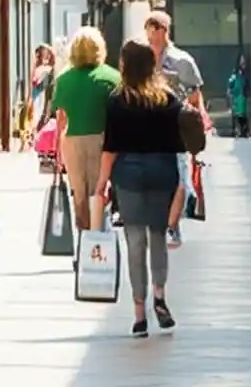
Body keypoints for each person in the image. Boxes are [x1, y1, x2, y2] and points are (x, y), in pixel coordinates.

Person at [97, 39, 185, 338]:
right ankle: (160, 295)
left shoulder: (117, 100)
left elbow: (111, 148)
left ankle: (139, 313)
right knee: (158, 236)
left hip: (129, 175)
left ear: (125, 66)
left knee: (135, 240)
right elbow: (178, 145)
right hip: (162, 172)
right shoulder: (168, 99)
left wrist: (102, 183)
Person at [144, 10, 204, 249]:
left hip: (175, 127)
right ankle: (157, 221)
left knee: (180, 176)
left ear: (165, 31)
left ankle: (171, 226)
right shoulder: (143, 59)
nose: (152, 37)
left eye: (156, 31)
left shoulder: (182, 60)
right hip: (147, 128)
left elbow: (195, 94)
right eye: (149, 32)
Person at [52, 27, 120, 231]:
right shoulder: (112, 77)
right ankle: (98, 237)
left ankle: (83, 238)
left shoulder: (64, 79)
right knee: (99, 191)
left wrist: (57, 152)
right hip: (103, 139)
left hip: (72, 140)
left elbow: (61, 117)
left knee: (79, 194)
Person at [29, 43, 56, 133]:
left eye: (48, 56)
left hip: (40, 98)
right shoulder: (44, 70)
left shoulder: (47, 71)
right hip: (36, 98)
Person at [228, 54, 250, 137]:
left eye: (244, 62)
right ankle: (237, 131)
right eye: (241, 62)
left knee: (243, 116)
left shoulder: (246, 77)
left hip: (243, 100)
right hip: (237, 100)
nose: (243, 64)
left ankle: (244, 131)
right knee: (237, 116)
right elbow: (230, 90)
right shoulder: (234, 77)